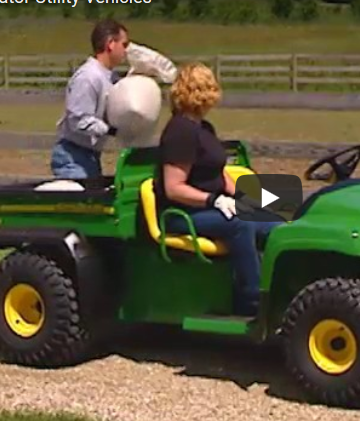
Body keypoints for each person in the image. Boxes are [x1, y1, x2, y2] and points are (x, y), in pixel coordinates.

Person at [154, 62, 282, 316]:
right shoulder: (180, 131)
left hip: (210, 207)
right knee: (240, 224)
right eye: (208, 87)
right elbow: (174, 188)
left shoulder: (204, 129)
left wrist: (251, 199)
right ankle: (251, 300)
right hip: (183, 213)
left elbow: (220, 174)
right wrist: (213, 201)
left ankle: (279, 288)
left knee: (272, 223)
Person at [50, 19, 130, 179]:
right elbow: (78, 120)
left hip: (89, 156)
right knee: (80, 203)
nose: (126, 51)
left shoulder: (108, 77)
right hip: (73, 156)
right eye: (124, 44)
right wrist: (110, 130)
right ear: (111, 44)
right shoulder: (89, 77)